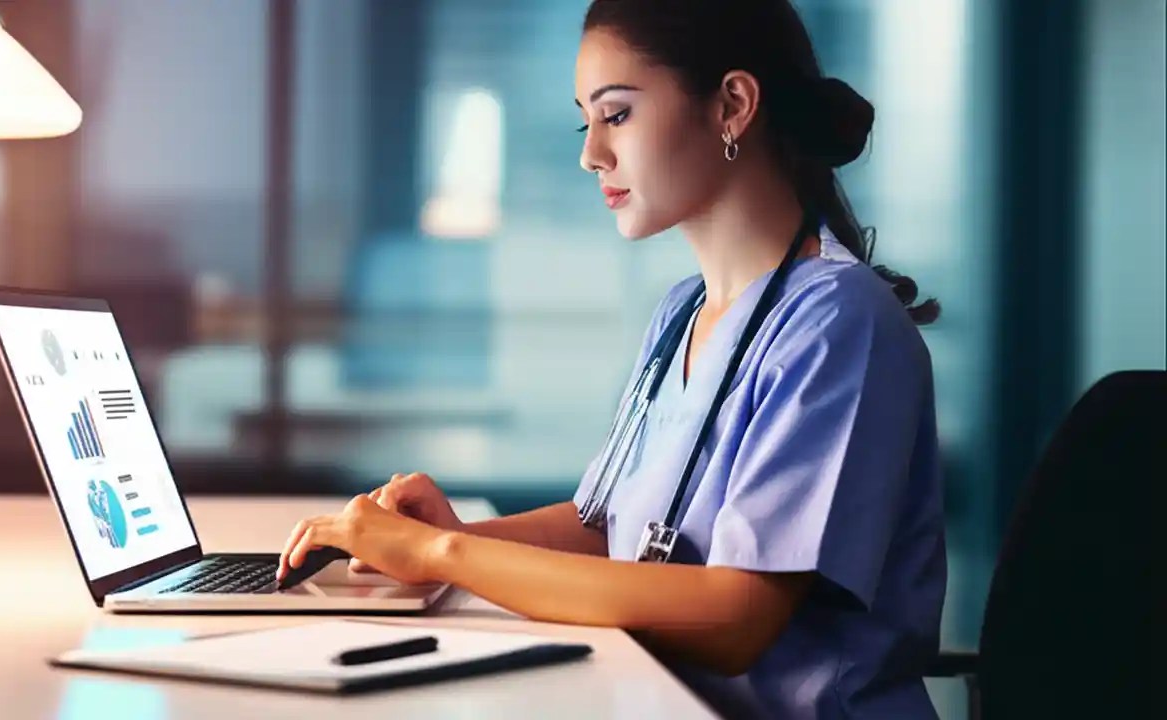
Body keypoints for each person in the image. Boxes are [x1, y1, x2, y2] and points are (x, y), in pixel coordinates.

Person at [276, 1, 945, 717]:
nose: (590, 154)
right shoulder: (682, 312)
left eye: (616, 114)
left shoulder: (838, 321)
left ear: (733, 104)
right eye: (584, 121)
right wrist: (448, 536)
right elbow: (612, 529)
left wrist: (445, 561)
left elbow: (733, 618)